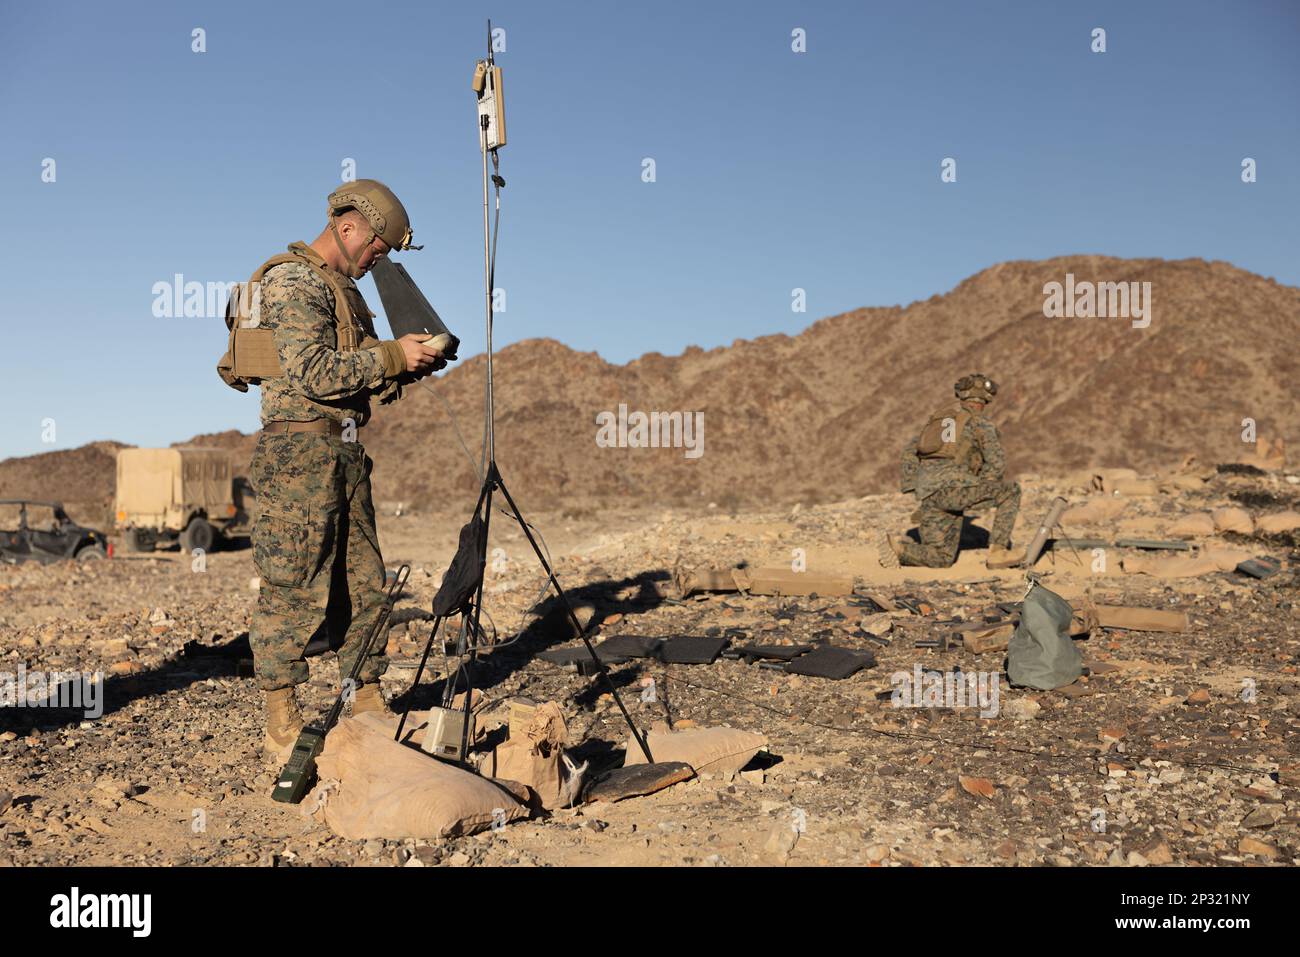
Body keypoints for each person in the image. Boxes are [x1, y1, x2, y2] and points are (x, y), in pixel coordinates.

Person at [235, 179, 444, 762]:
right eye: (377, 248)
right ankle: (281, 707)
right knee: (293, 582)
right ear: (348, 228)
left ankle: (366, 693)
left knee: (364, 580)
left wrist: (407, 364)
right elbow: (314, 373)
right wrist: (394, 354)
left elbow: (357, 370)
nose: (378, 260)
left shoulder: (343, 292)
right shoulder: (294, 282)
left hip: (345, 450)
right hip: (297, 455)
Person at [883, 373, 1024, 570]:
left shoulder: (939, 422)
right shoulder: (980, 424)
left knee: (941, 558)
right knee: (1011, 491)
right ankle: (997, 553)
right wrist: (980, 485)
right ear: (985, 401)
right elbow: (997, 463)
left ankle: (900, 550)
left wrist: (914, 489)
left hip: (929, 495)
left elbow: (909, 453)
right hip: (954, 491)